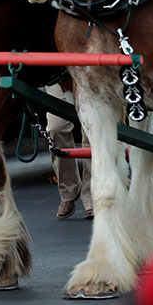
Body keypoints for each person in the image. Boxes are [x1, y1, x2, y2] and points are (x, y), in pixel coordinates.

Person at [46, 80, 94, 219]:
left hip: (86, 68)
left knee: (90, 127)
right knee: (56, 128)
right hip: (57, 71)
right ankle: (68, 191)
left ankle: (91, 193)